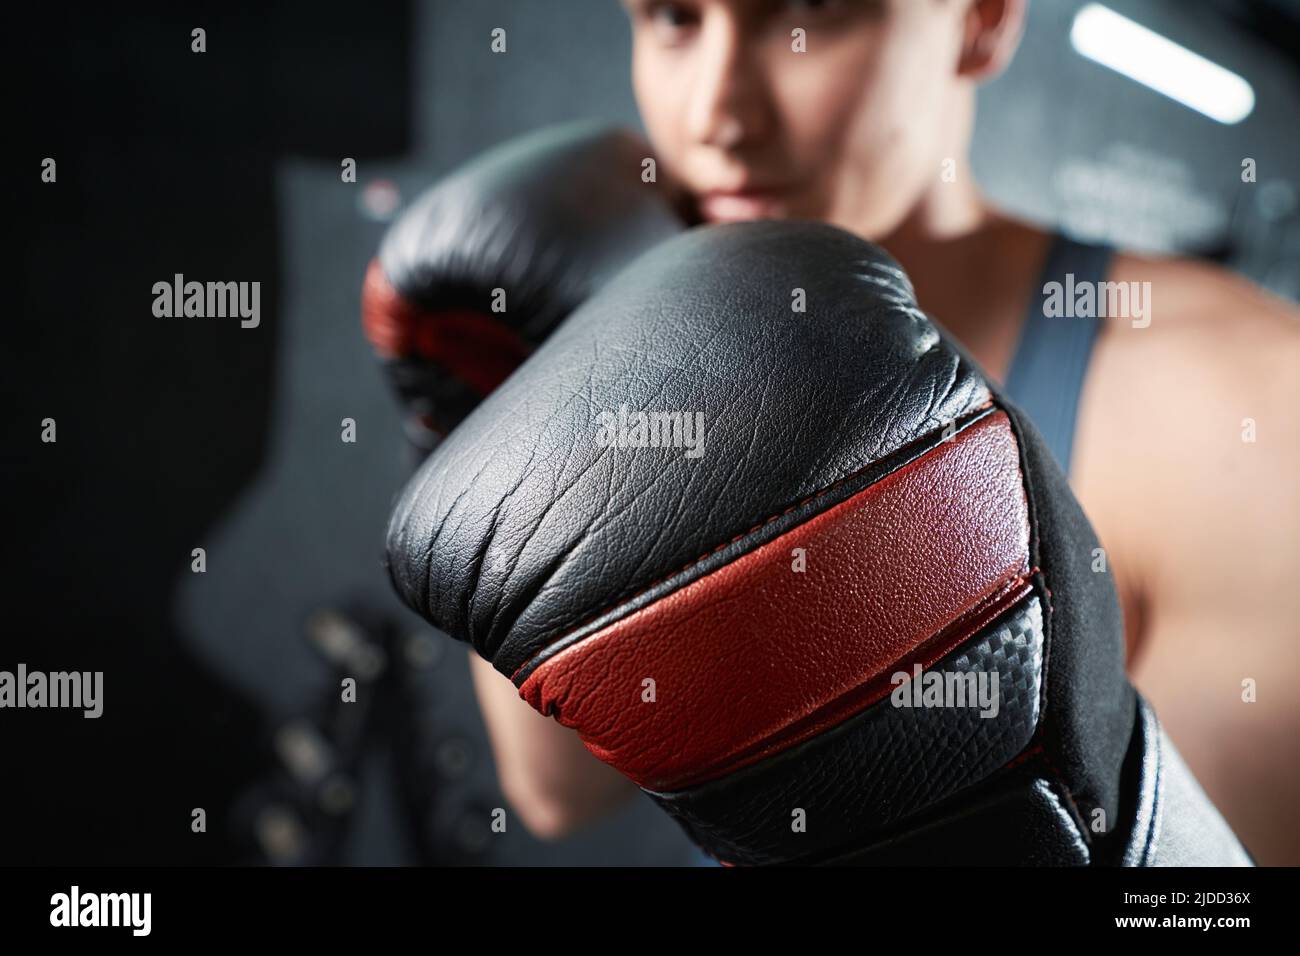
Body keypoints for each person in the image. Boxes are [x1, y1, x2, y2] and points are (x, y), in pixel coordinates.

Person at [456, 0, 1299, 863]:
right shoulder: (674, 374)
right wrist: (506, 385)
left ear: (982, 22)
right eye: (675, 17)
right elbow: (557, 792)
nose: (716, 115)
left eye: (812, 12)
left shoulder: (1250, 414)